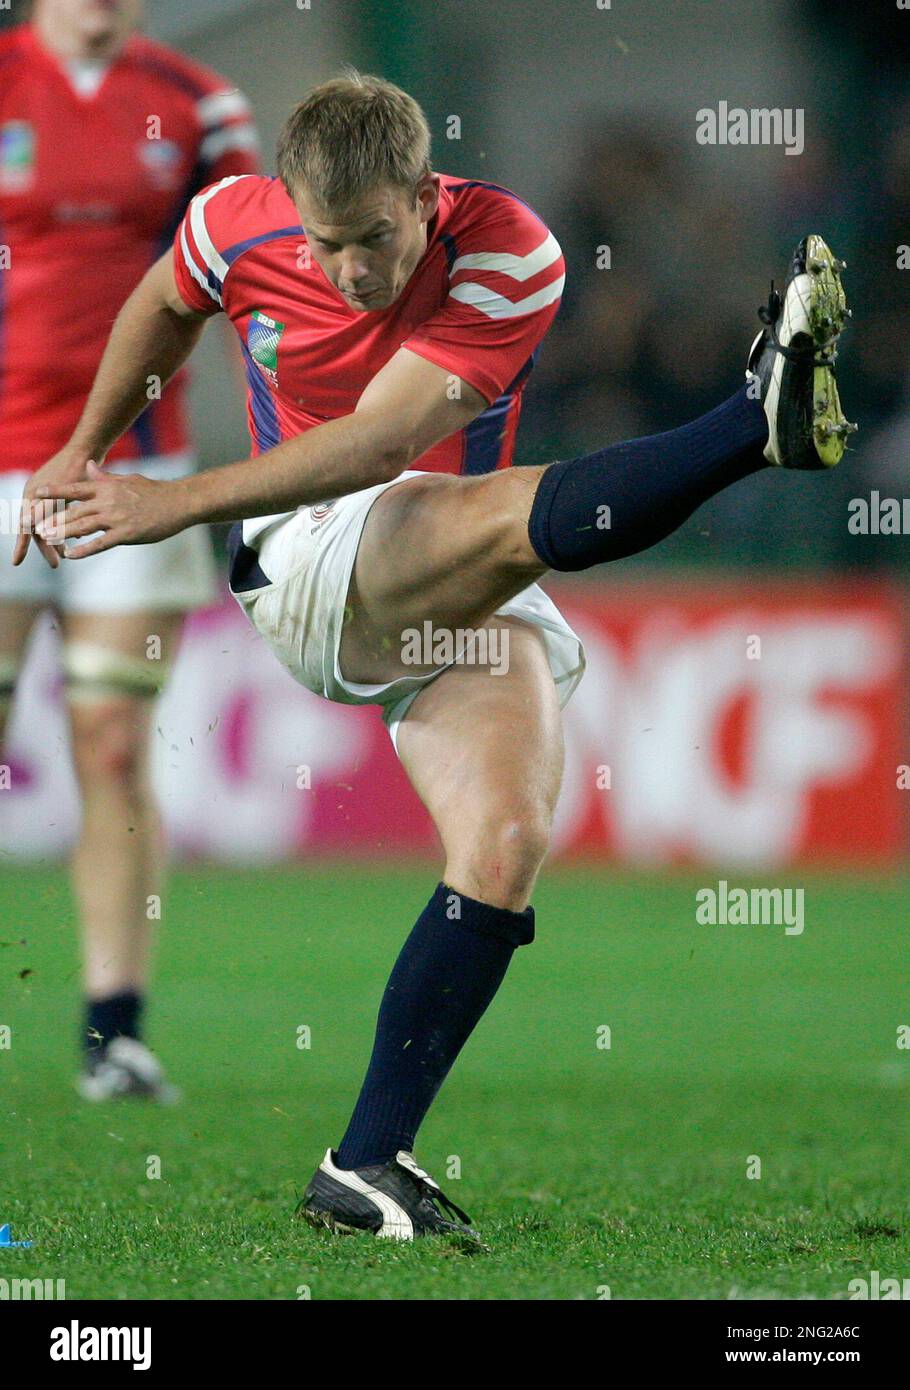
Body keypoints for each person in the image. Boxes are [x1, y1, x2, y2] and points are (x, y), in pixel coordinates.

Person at [16, 73, 854, 1242]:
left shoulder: (512, 251)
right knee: (497, 511)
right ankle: (746, 427)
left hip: (440, 556)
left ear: (424, 193)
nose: (350, 269)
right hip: (311, 564)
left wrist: (173, 500)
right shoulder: (233, 219)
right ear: (290, 209)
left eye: (373, 239)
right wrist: (83, 449)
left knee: (505, 841)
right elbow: (163, 300)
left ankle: (360, 1164)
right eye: (325, 245)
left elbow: (386, 437)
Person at [0, 0, 259, 1100]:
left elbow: (253, 273)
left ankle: (115, 1032)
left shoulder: (201, 103)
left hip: (130, 473)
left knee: (108, 738)